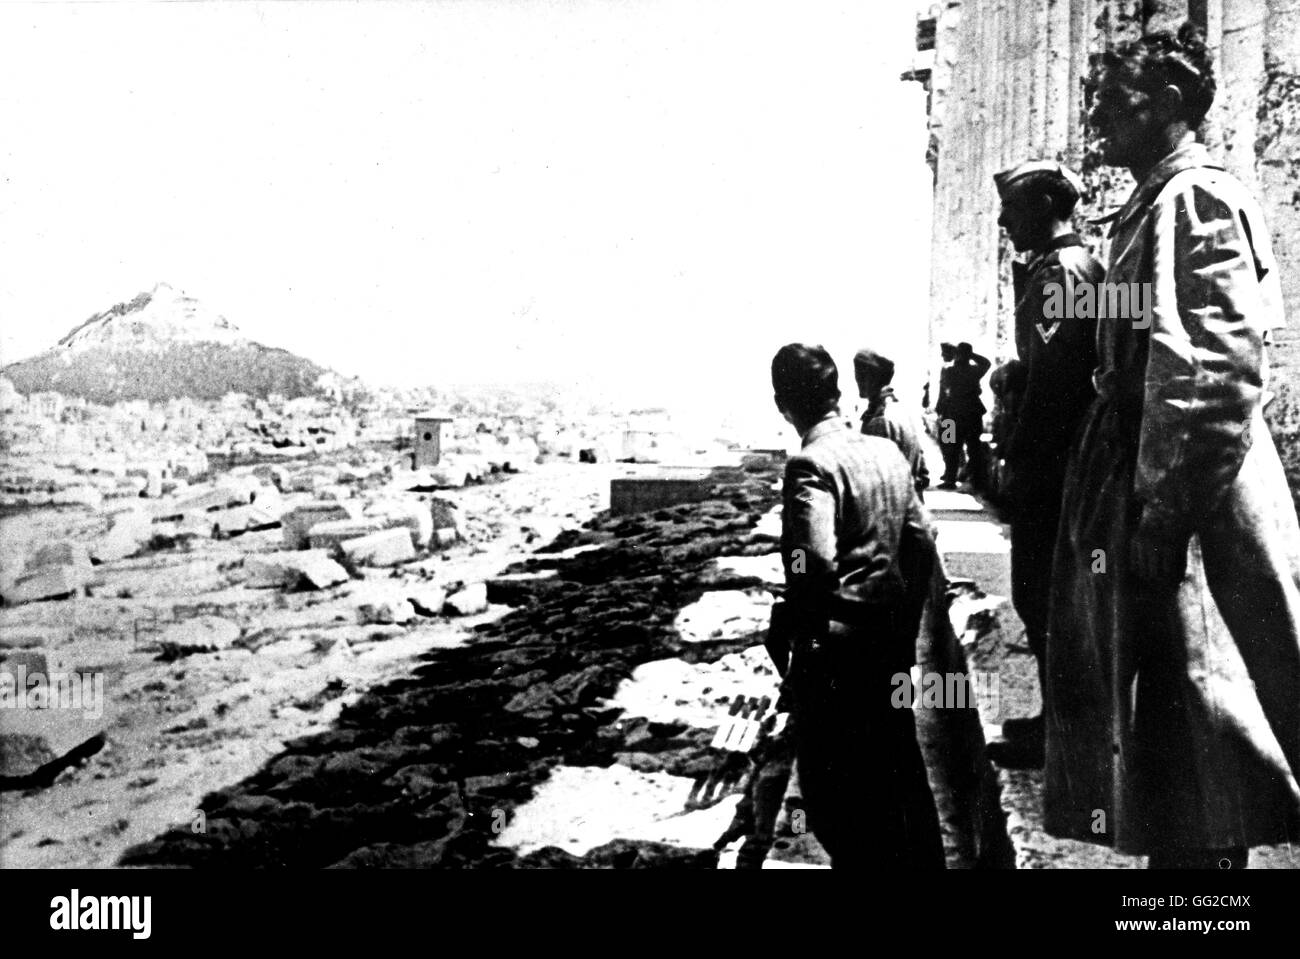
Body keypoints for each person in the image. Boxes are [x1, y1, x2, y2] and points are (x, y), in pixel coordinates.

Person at [1047, 23, 1300, 868]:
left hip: (1190, 495)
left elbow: (1212, 371)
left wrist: (1162, 512)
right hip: (1150, 479)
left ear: (1165, 105)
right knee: (1171, 732)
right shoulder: (1153, 201)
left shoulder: (1193, 199)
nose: (1095, 118)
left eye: (1111, 102)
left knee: (1201, 721)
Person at [768, 343, 944, 869]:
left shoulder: (809, 464)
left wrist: (798, 628)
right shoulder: (884, 452)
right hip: (888, 644)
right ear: (837, 393)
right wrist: (904, 622)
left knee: (835, 798)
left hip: (838, 655)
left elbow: (813, 563)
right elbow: (923, 539)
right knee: (900, 777)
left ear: (783, 405)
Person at [986, 159, 1105, 769]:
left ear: (1042, 208)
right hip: (1064, 456)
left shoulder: (1062, 270)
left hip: (1054, 462)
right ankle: (1063, 726)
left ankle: (1065, 733)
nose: (1004, 221)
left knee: (1044, 595)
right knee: (1051, 596)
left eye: (1013, 209)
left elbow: (1056, 382)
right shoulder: (1067, 269)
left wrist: (1018, 455)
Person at [854, 348, 930, 499]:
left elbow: (874, 480)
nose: (858, 381)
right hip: (908, 506)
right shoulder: (901, 411)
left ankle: (951, 476)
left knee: (951, 444)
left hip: (892, 510)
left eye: (862, 375)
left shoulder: (880, 421)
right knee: (950, 445)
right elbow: (923, 472)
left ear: (874, 377)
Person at [935, 342, 991, 489]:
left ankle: (950, 479)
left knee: (949, 447)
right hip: (972, 413)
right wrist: (971, 355)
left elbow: (943, 392)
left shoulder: (948, 371)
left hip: (951, 413)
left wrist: (939, 409)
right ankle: (976, 481)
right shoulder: (974, 370)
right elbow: (986, 362)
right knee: (973, 447)